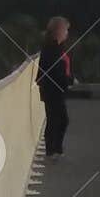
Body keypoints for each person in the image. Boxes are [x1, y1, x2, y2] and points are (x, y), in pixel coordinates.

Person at [36, 16, 73, 160]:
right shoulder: (51, 49)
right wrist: (68, 80)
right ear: (59, 31)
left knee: (56, 119)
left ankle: (54, 150)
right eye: (66, 30)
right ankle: (53, 150)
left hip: (55, 89)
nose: (67, 34)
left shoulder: (56, 47)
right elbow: (54, 71)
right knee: (58, 119)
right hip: (53, 90)